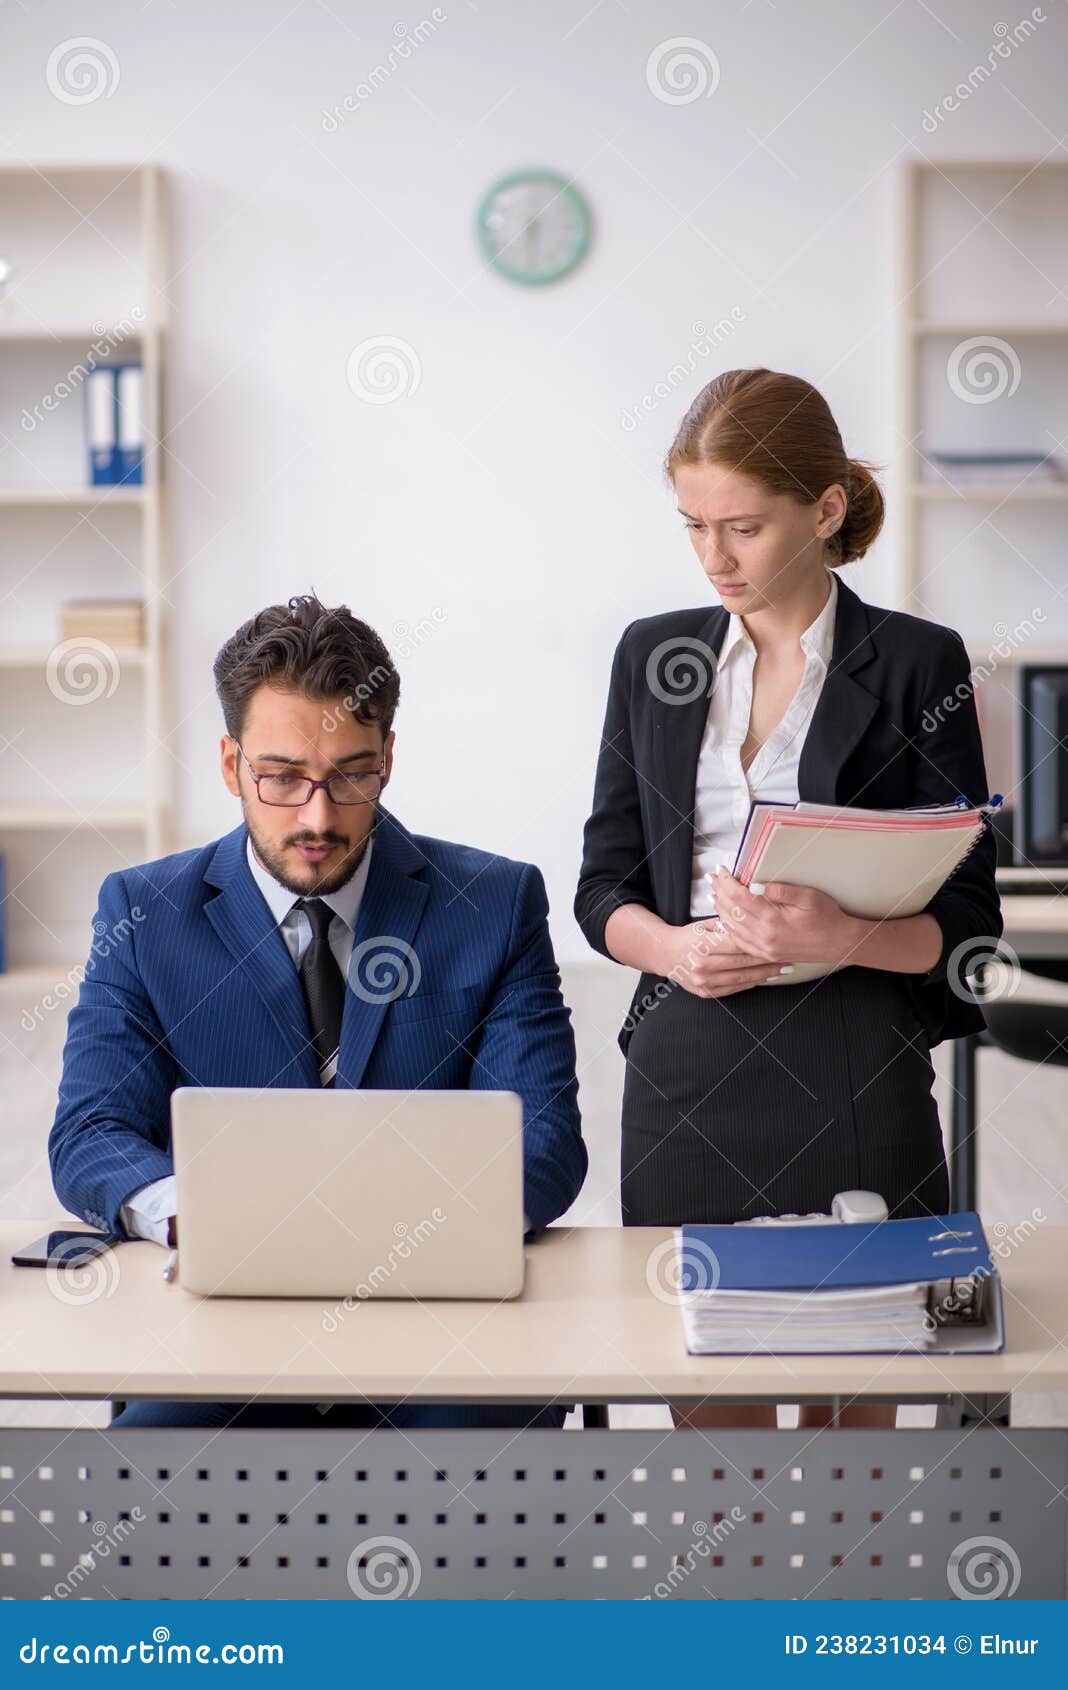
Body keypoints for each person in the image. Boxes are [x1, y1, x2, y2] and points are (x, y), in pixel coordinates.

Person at [574, 368, 1001, 1431]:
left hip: (855, 1061)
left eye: (744, 527)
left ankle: (840, 1611)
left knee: (856, 1438)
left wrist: (846, 931)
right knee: (713, 1432)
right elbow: (602, 888)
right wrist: (672, 949)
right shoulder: (655, 655)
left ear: (824, 510)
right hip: (688, 1062)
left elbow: (970, 937)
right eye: (693, 526)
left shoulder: (916, 663)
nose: (714, 557)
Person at [50, 593, 587, 1429]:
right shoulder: (144, 911)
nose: (318, 816)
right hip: (220, 1344)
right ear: (231, 766)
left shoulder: (493, 903)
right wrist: (193, 1217)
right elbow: (90, 1134)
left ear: (389, 758)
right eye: (282, 777)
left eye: (350, 775)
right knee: (144, 1489)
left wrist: (407, 1239)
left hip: (443, 1335)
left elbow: (545, 1145)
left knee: (495, 1484)